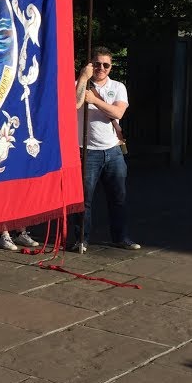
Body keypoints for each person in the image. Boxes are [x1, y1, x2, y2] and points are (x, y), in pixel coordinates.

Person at [67, 46, 140, 253]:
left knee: (118, 197)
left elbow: (118, 111)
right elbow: (73, 104)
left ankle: (121, 237)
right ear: (91, 64)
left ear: (111, 67)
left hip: (112, 151)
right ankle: (81, 239)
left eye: (106, 65)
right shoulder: (78, 84)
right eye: (97, 64)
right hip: (86, 151)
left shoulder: (117, 87)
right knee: (84, 200)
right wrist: (82, 77)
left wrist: (95, 101)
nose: (101, 68)